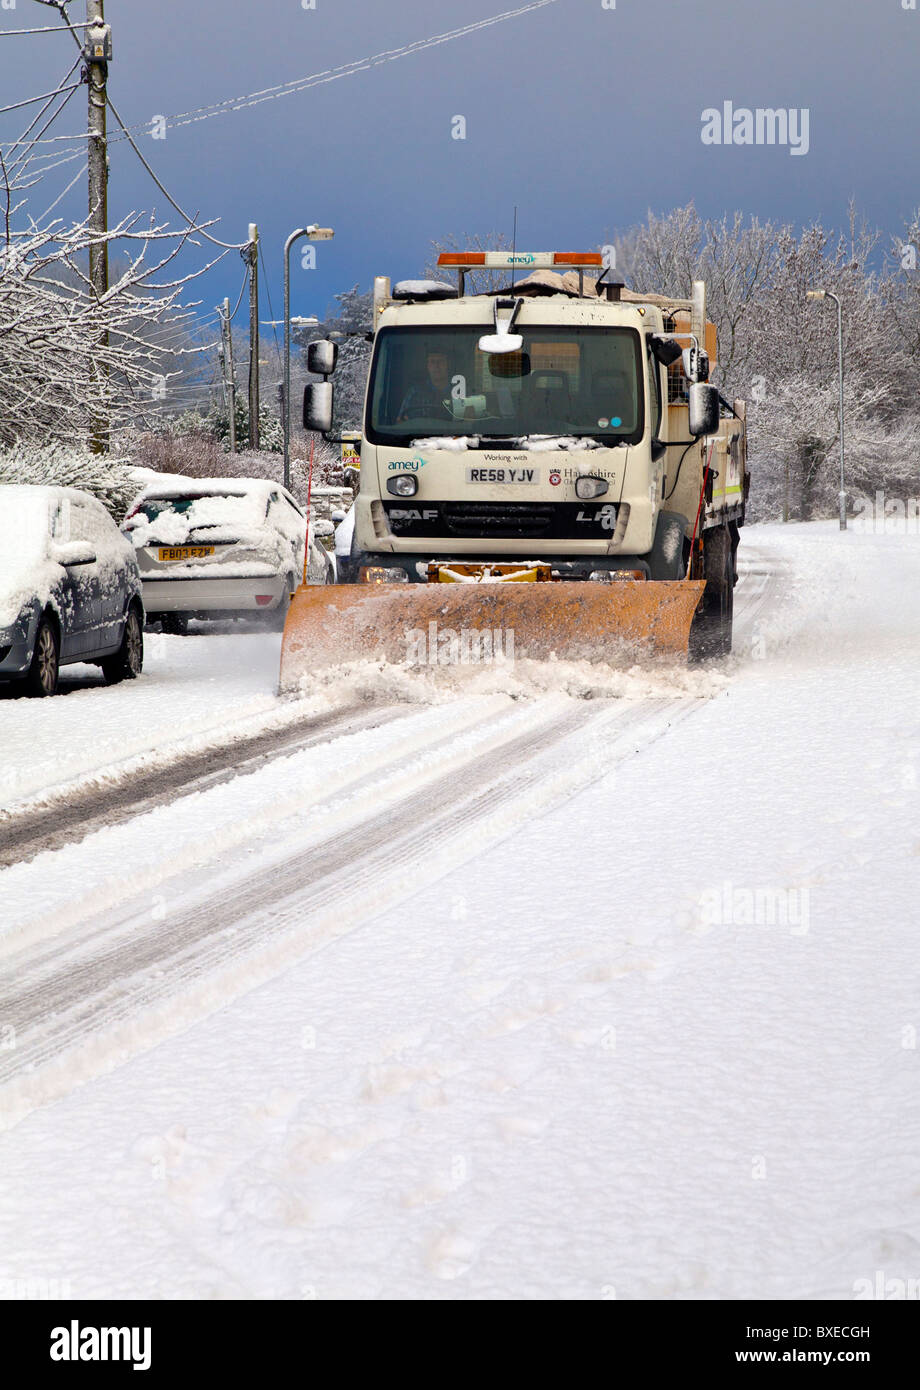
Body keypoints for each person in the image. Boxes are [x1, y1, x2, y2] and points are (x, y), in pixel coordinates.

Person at [397, 350, 453, 422]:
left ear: (448, 365)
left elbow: (468, 422)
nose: (436, 366)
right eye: (432, 362)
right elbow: (401, 422)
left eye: (441, 361)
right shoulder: (414, 392)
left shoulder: (460, 392)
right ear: (428, 366)